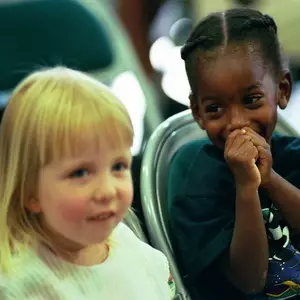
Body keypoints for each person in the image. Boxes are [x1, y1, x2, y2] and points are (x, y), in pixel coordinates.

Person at [0, 67, 173, 299]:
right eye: (81, 173)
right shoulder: (20, 286)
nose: (107, 191)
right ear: (30, 192)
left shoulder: (126, 242)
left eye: (118, 166)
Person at [168, 8, 300, 300]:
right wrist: (247, 187)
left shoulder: (293, 154)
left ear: (282, 91)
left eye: (251, 100)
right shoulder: (196, 182)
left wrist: (271, 180)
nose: (237, 122)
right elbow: (250, 281)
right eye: (215, 108)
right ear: (198, 112)